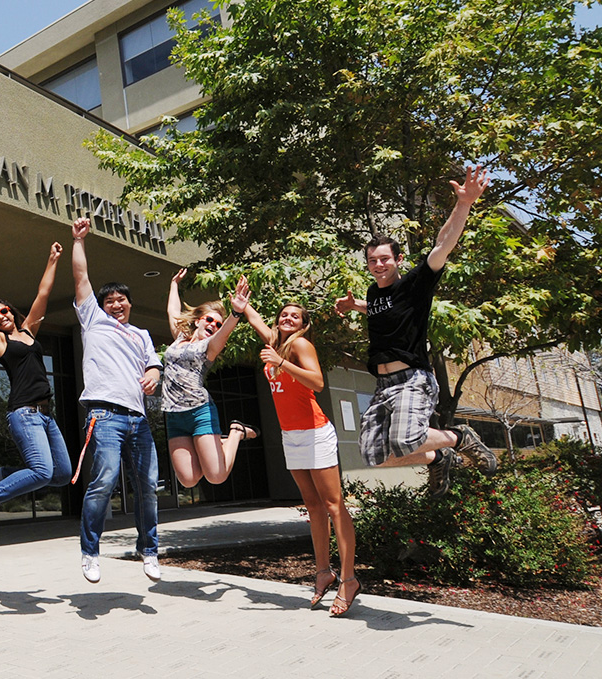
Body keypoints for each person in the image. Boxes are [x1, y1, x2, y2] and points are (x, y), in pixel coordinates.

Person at [334, 165, 498, 496]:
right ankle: (439, 457)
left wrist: (463, 203)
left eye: (384, 259)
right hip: (382, 385)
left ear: (398, 259)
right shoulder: (373, 293)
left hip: (412, 379)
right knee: (372, 456)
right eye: (372, 261)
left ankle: (460, 437)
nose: (378, 265)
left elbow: (442, 245)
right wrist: (356, 307)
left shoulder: (415, 284)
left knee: (405, 439)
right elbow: (384, 311)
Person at [245, 302, 359, 616]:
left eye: (295, 315)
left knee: (334, 505)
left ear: (304, 323)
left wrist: (282, 361)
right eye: (283, 314)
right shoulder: (276, 343)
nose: (288, 318)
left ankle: (348, 579)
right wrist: (244, 307)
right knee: (312, 506)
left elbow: (317, 382)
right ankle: (324, 572)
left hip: (314, 432)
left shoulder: (299, 345)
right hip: (291, 435)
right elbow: (257, 320)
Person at [0, 242, 72, 541]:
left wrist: (52, 259)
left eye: (4, 310)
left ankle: (3, 476)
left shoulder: (30, 330)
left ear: (12, 311)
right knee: (43, 471)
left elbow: (43, 293)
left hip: (47, 415)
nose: (1, 316)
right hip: (24, 413)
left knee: (61, 474)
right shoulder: (1, 343)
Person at [70, 216, 164, 584]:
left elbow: (154, 368)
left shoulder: (141, 334)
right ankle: (90, 552)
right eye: (109, 300)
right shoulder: (92, 319)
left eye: (120, 299)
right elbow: (81, 279)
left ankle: (150, 549)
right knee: (104, 481)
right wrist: (78, 242)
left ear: (129, 304)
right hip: (104, 416)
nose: (115, 304)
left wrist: (154, 376)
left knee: (148, 487)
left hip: (138, 420)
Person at [162, 270, 258, 488]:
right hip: (174, 415)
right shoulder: (178, 339)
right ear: (197, 321)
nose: (213, 325)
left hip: (199, 412)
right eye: (210, 320)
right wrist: (174, 284)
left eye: (217, 323)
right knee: (188, 480)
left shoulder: (208, 348)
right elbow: (173, 310)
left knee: (216, 476)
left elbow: (224, 334)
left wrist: (236, 313)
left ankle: (236, 432)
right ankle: (210, 445)